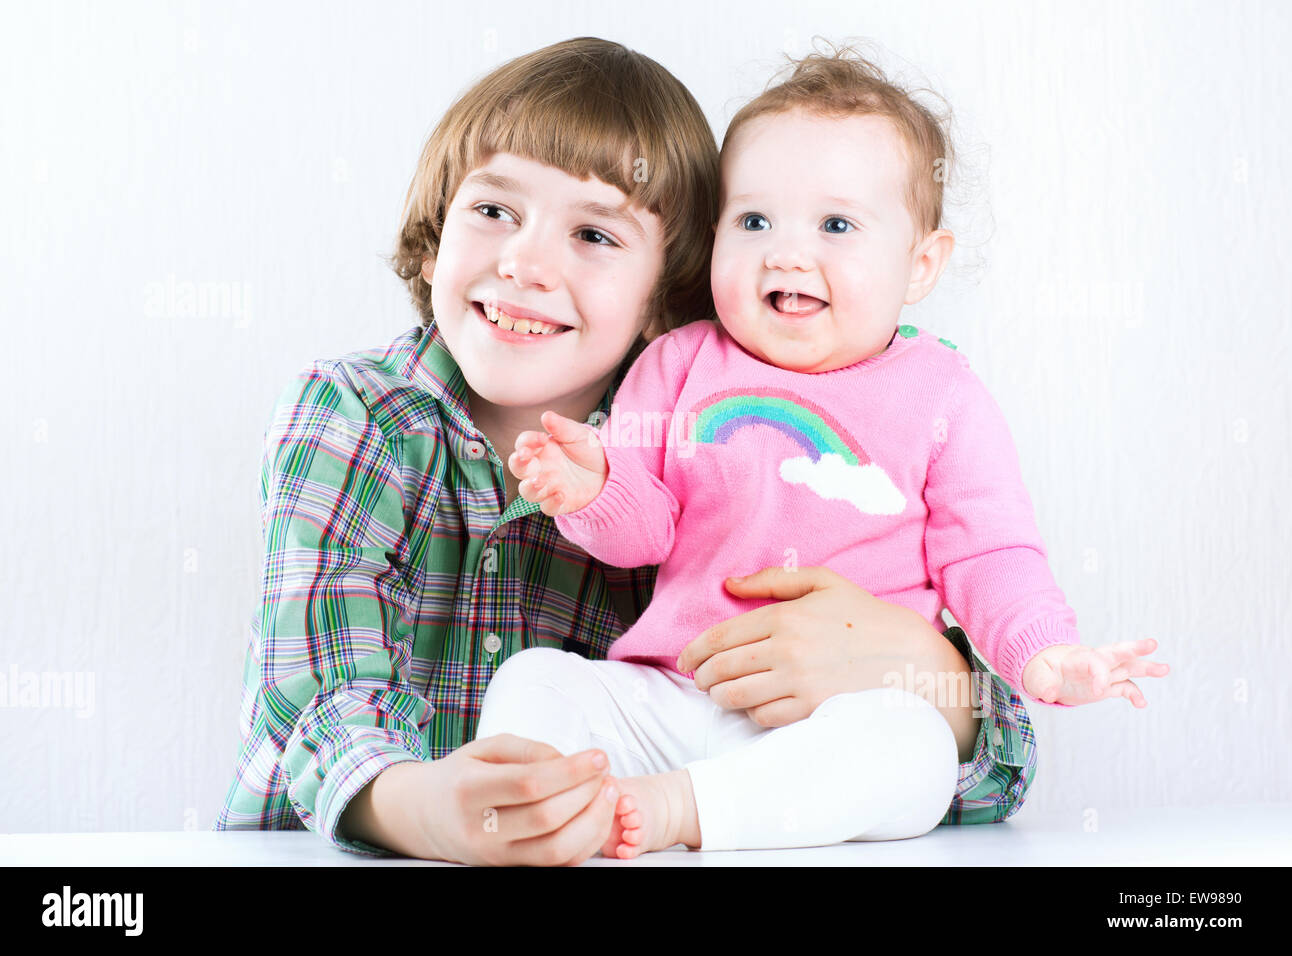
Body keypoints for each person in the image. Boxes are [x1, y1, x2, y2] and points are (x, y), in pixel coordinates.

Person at [215, 36, 1044, 866]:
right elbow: (316, 710)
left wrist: (923, 666)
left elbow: (992, 775)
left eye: (594, 235)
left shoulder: (694, 441)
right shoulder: (356, 414)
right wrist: (423, 810)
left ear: (670, 295)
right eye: (495, 210)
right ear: (436, 234)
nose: (526, 262)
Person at [483, 41, 1169, 859]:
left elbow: (991, 552)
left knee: (912, 751)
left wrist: (1044, 652)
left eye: (836, 225)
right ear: (715, 238)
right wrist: (591, 488)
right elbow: (645, 533)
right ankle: (552, 813)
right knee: (536, 678)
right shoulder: (679, 362)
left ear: (921, 264)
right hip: (671, 692)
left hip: (839, 715)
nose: (787, 251)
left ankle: (679, 811)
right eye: (754, 220)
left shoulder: (942, 393)